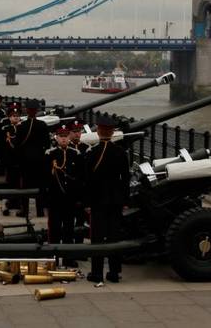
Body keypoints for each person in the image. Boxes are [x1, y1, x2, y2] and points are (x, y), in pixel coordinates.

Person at [83, 118, 131, 285]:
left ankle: (97, 273)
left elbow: (87, 180)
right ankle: (114, 272)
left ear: (98, 132)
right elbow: (126, 178)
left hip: (97, 200)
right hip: (115, 200)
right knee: (114, 236)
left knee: (97, 237)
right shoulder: (120, 152)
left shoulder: (92, 152)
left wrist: (87, 202)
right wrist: (125, 200)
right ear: (112, 133)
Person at [44, 126, 82, 256]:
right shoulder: (50, 154)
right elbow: (45, 178)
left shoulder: (75, 154)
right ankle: (53, 257)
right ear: (57, 138)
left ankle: (68, 257)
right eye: (61, 137)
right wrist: (45, 200)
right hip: (55, 198)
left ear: (69, 138)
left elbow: (79, 177)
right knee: (54, 229)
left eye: (66, 136)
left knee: (68, 229)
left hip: (70, 198)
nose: (64, 139)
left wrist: (78, 198)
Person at [16, 99, 51, 218]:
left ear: (26, 110)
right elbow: (47, 144)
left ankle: (25, 210)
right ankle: (39, 210)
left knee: (25, 185)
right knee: (39, 185)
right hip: (39, 160)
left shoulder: (21, 126)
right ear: (36, 111)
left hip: (25, 160)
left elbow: (17, 145)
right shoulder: (42, 125)